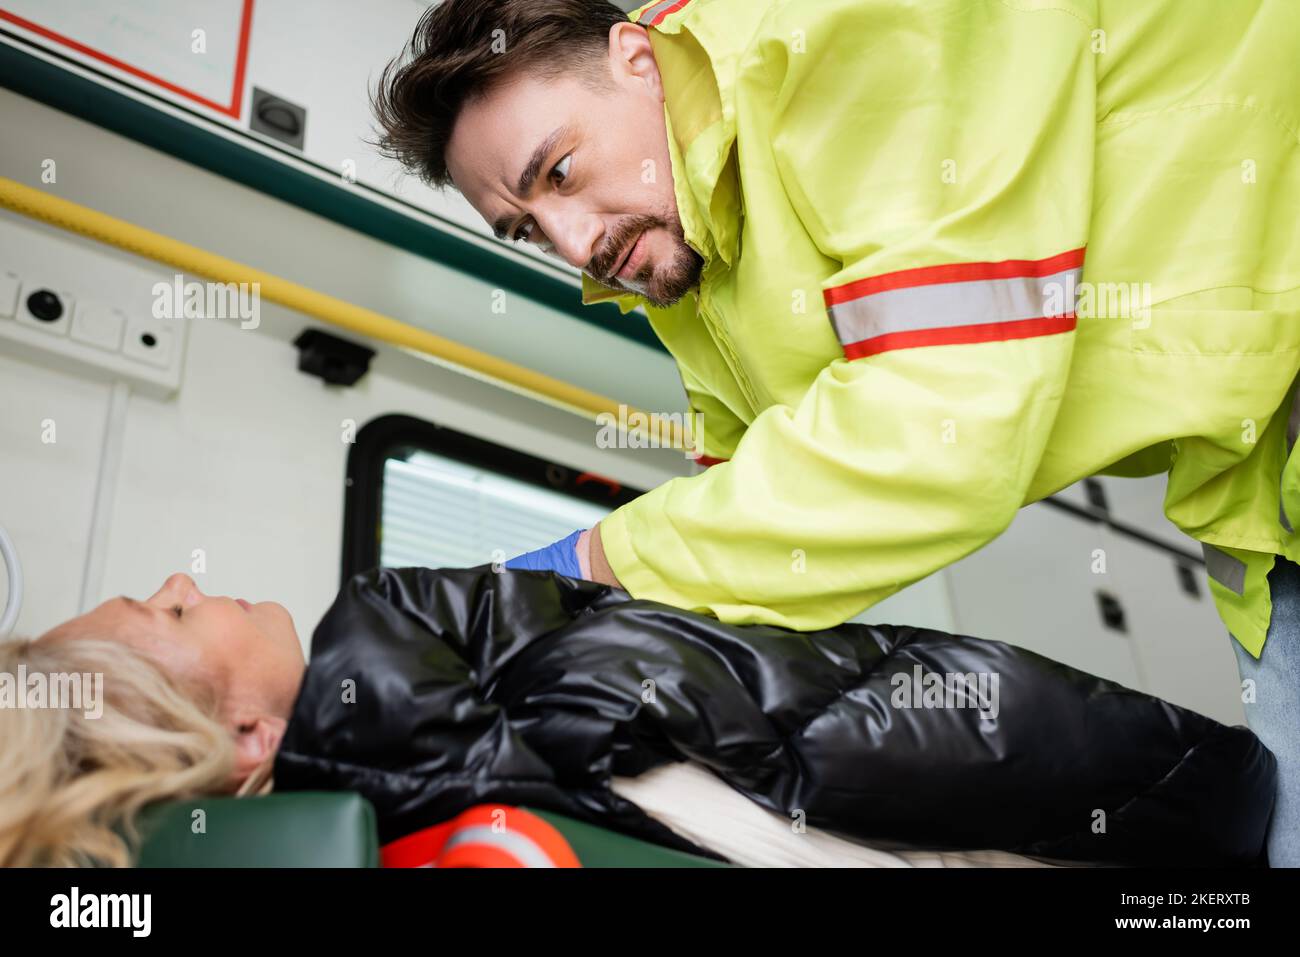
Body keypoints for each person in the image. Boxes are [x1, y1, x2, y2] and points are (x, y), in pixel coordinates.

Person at [370, 0, 1300, 864]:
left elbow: (940, 431)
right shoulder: (677, 259)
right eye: (529, 229)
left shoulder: (842, 34)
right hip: (1254, 490)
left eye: (562, 172)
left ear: (636, 57)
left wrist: (583, 563)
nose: (575, 245)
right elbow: (756, 527)